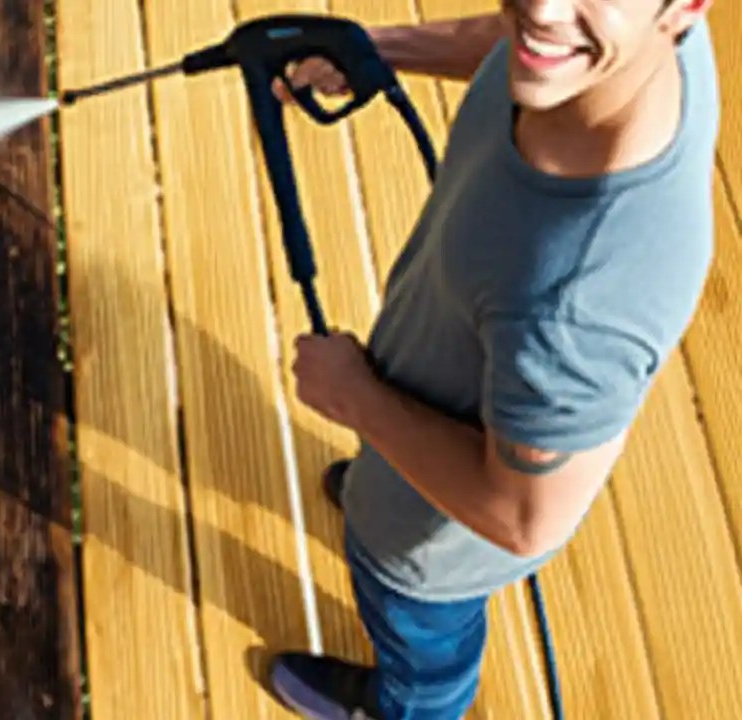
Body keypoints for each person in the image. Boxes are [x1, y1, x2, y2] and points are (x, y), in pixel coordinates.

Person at [269, 0, 718, 718]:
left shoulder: (578, 300)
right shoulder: (645, 44)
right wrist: (379, 49)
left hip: (431, 545)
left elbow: (523, 517)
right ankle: (372, 484)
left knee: (421, 641)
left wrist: (354, 396)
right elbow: (520, 37)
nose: (540, 8)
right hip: (427, 408)